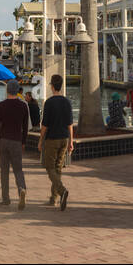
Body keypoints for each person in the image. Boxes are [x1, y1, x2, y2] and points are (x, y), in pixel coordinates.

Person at [0, 80, 30, 209]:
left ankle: (6, 199)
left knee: (4, 171)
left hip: (3, 141)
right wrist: (23, 142)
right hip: (16, 141)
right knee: (18, 170)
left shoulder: (0, 106)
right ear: (18, 91)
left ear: (7, 90)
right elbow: (25, 128)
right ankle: (21, 190)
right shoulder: (23, 106)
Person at [39, 74, 74, 210]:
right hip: (64, 138)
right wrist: (71, 141)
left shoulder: (49, 103)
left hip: (52, 139)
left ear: (52, 86)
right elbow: (70, 124)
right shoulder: (67, 102)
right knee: (58, 168)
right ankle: (53, 199)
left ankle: (62, 191)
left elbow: (44, 125)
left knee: (50, 167)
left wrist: (40, 140)